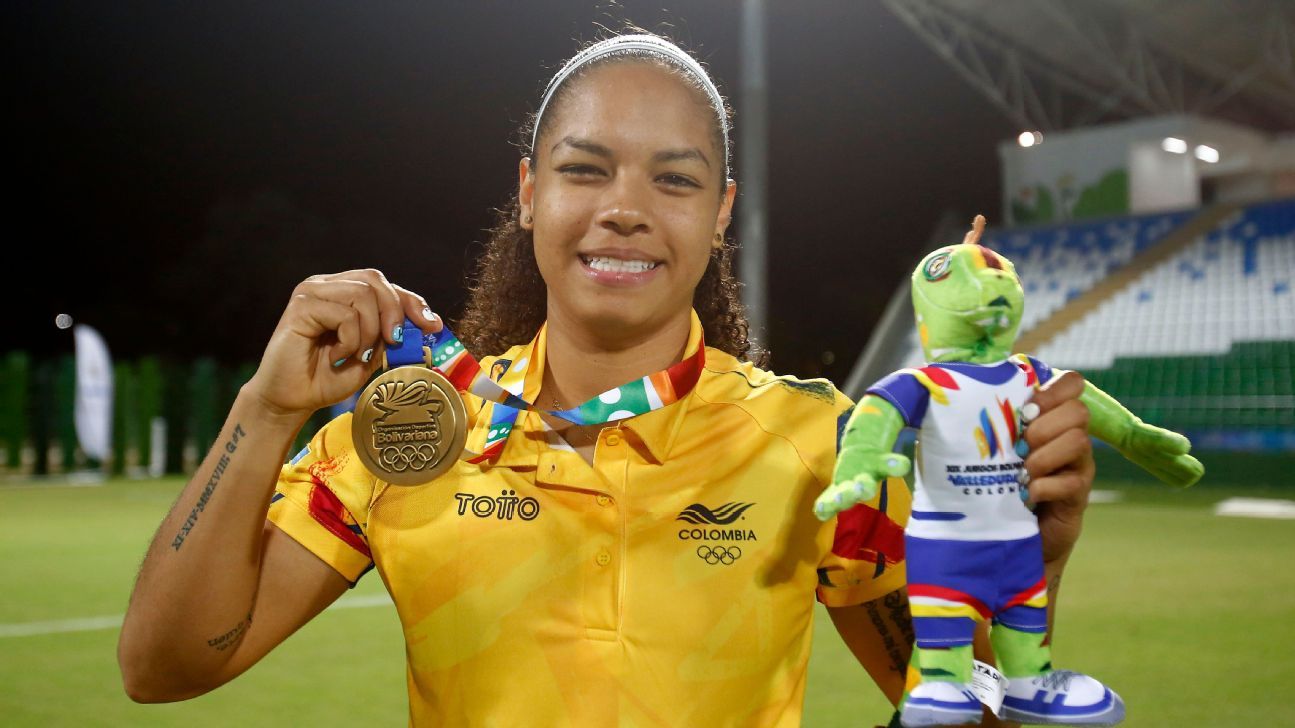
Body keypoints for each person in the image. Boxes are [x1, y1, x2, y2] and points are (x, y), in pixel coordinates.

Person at [118, 31, 1097, 726]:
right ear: (530, 193)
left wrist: (1030, 568)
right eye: (585, 170)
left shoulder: (816, 446)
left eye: (672, 180)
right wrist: (266, 406)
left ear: (719, 212)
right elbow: (161, 666)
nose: (625, 208)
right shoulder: (414, 430)